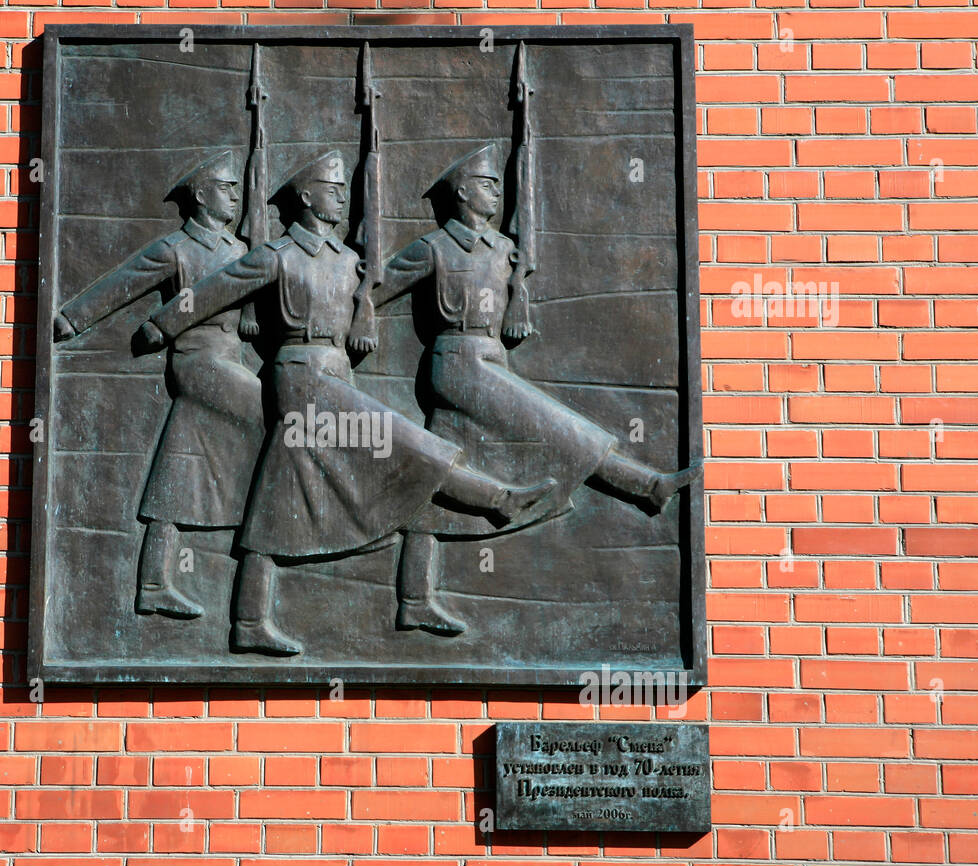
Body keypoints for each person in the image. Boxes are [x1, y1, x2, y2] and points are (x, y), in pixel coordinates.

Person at [145, 150, 555, 655]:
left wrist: (364, 314)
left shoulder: (345, 261)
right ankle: (495, 497)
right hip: (298, 377)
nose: (342, 198)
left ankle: (251, 620)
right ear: (305, 197)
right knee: (398, 442)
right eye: (332, 190)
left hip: (334, 372)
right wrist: (162, 324)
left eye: (344, 191)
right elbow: (215, 290)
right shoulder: (277, 255)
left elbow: (374, 296)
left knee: (282, 495)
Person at [373, 144, 703, 636]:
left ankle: (414, 601)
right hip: (457, 366)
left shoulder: (506, 251)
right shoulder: (433, 248)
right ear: (462, 192)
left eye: (499, 184)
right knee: (555, 423)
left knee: (438, 477)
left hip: (491, 359)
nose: (497, 192)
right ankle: (643, 483)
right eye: (487, 184)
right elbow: (372, 292)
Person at [55, 150, 264, 620]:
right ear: (200, 195)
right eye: (226, 188)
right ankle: (260, 567)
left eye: (235, 187)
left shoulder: (238, 250)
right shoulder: (176, 249)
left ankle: (154, 583)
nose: (235, 196)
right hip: (197, 363)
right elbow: (124, 283)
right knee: (278, 423)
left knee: (181, 472)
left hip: (228, 362)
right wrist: (73, 318)